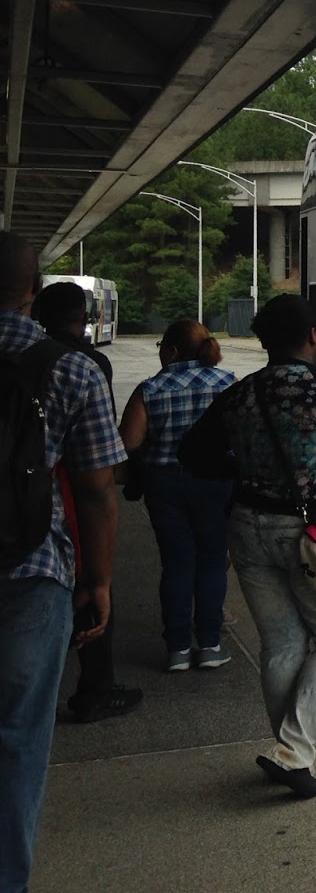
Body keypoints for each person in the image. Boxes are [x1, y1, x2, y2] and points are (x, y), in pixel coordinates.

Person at [180, 295, 316, 800]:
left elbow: (192, 453)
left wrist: (240, 473)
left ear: (262, 340)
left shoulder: (240, 394)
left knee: (281, 642)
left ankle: (289, 752)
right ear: (312, 335)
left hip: (248, 526)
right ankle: (294, 751)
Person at [0, 233, 125, 889]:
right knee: (19, 736)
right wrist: (98, 580)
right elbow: (99, 487)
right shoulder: (70, 368)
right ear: (31, 290)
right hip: (32, 571)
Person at [30, 280, 141, 722]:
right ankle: (95, 687)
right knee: (91, 593)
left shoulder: (20, 356)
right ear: (85, 318)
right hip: (66, 503)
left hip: (22, 504)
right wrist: (101, 573)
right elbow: (97, 476)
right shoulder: (85, 364)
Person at [119, 319, 236, 672]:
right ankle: (211, 644)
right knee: (214, 559)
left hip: (165, 485)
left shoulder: (150, 389)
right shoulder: (227, 383)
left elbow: (129, 441)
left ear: (170, 351)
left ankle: (179, 650)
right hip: (216, 483)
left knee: (177, 562)